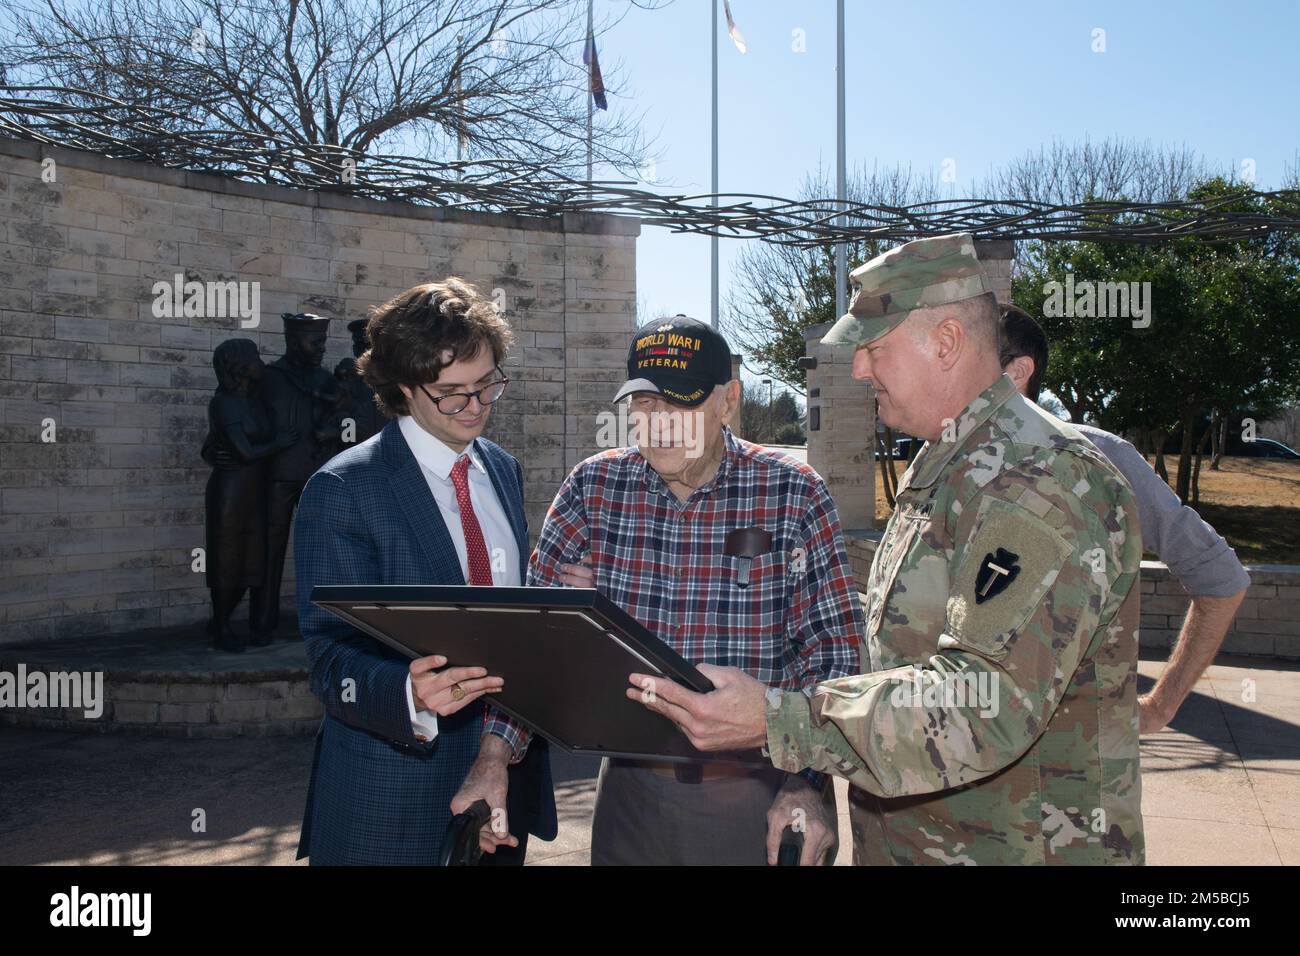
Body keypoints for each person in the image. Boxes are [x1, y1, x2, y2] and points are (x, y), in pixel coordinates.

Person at [629, 235, 1146, 865]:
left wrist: (779, 720)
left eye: (874, 348)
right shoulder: (951, 462)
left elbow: (983, 703)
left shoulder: (1038, 478)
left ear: (947, 342)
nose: (858, 370)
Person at [524, 314, 863, 865]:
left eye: (678, 402)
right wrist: (497, 752)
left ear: (728, 400)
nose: (657, 422)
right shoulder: (593, 487)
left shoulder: (792, 491)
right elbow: (536, 638)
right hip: (629, 793)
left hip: (762, 791)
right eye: (644, 403)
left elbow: (831, 649)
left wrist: (807, 782)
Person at [292, 279, 556, 865]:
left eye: (487, 385)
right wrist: (408, 692)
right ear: (405, 389)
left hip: (502, 784)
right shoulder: (342, 489)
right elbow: (328, 659)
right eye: (451, 394)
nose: (475, 407)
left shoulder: (503, 469)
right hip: (386, 803)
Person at [998, 303, 1250, 732]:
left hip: (1066, 770)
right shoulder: (941, 463)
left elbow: (1221, 578)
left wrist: (1159, 707)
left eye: (965, 358)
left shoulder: (1099, 458)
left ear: (1018, 372)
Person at [202, 338, 297, 652]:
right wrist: (280, 443)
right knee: (226, 558)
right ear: (240, 365)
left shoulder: (253, 400)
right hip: (230, 491)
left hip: (255, 489)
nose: (261, 363)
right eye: (256, 357)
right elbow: (244, 451)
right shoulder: (225, 402)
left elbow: (211, 444)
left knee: (250, 561)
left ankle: (223, 621)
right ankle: (222, 625)